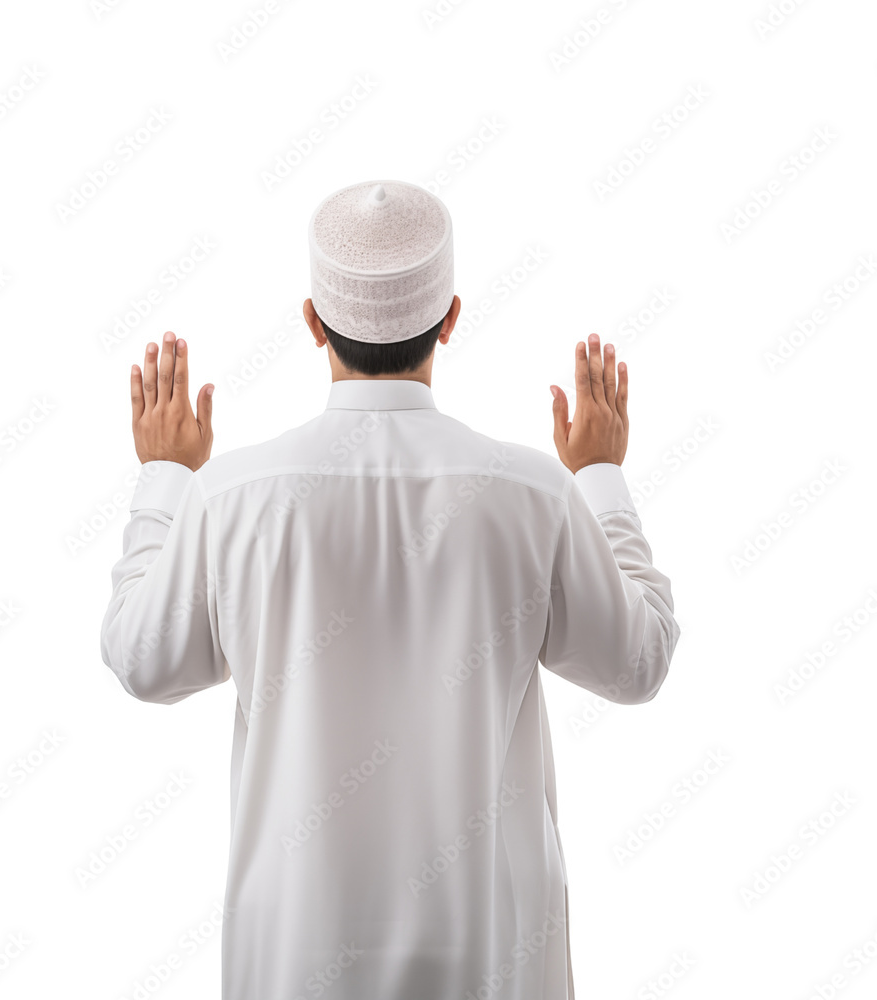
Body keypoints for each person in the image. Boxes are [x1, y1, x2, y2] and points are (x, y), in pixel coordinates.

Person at [100, 179, 680, 999]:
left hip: (294, 961)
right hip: (490, 955)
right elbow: (638, 663)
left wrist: (164, 479)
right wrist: (602, 480)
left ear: (311, 321)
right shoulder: (534, 493)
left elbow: (143, 661)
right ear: (449, 317)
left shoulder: (231, 496)